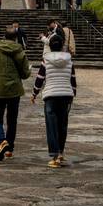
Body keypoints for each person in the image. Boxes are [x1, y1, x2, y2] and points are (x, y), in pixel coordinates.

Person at [0, 21, 31, 161]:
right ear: (16, 38)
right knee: (12, 120)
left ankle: (1, 140)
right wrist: (29, 71)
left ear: (4, 37)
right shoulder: (20, 52)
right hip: (14, 91)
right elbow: (24, 74)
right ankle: (9, 149)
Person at [31, 31, 76, 167]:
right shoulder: (69, 61)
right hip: (66, 95)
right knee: (62, 125)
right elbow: (73, 80)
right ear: (62, 45)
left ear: (49, 46)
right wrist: (73, 94)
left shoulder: (46, 61)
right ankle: (61, 153)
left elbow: (40, 78)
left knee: (51, 126)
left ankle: (54, 156)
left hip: (50, 95)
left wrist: (34, 94)